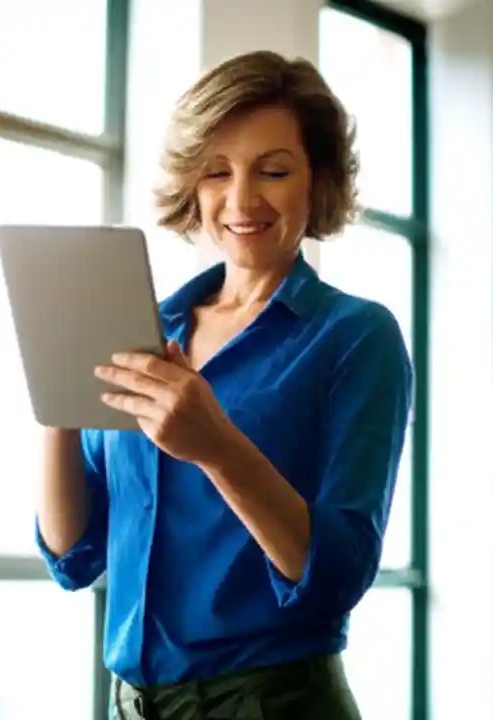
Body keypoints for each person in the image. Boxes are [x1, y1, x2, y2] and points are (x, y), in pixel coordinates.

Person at [36, 49, 413, 720]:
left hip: (272, 704)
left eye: (273, 171)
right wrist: (56, 398)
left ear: (316, 181)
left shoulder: (356, 337)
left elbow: (334, 576)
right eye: (216, 171)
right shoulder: (147, 332)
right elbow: (74, 553)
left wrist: (215, 445)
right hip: (130, 704)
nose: (241, 200)